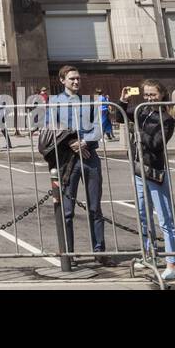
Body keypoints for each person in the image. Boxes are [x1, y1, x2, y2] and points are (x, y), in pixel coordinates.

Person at [49, 66, 112, 265]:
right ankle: (69, 254)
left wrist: (86, 142)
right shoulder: (55, 102)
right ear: (62, 80)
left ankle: (99, 252)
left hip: (90, 157)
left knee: (95, 208)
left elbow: (98, 126)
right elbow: (51, 129)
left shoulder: (88, 101)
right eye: (71, 79)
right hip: (69, 160)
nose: (76, 82)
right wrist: (70, 143)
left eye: (77, 79)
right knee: (67, 211)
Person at [122, 82, 175, 282]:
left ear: (162, 95)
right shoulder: (143, 111)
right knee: (142, 215)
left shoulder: (166, 119)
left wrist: (137, 132)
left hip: (154, 171)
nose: (148, 98)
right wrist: (122, 101)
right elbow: (121, 115)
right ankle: (149, 255)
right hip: (139, 169)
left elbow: (156, 144)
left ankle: (172, 263)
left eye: (152, 94)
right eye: (146, 94)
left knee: (165, 219)